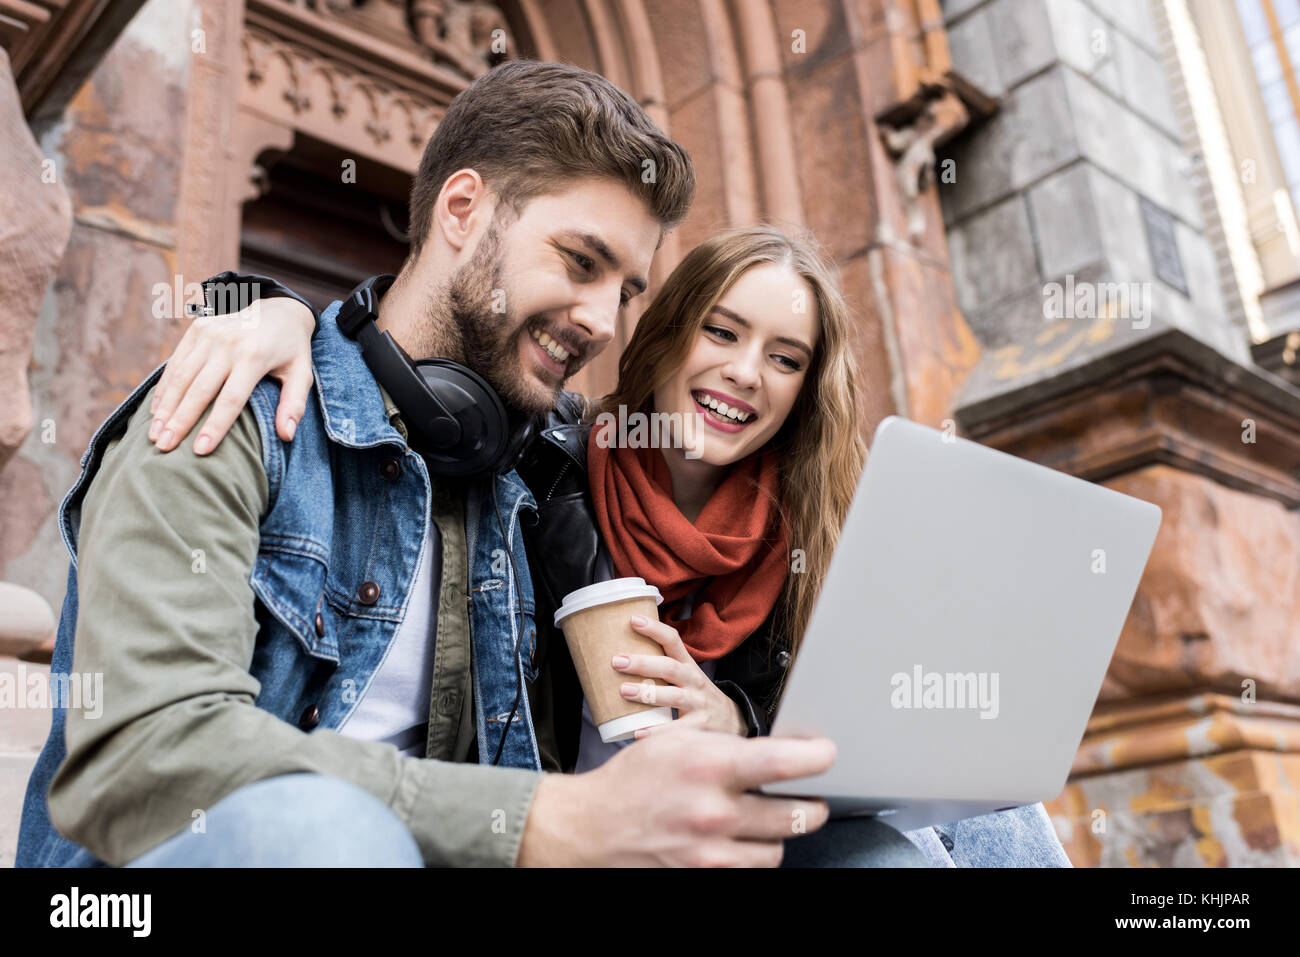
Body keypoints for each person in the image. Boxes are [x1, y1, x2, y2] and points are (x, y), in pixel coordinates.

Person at [16, 59, 866, 870]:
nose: (606, 321)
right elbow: (144, 753)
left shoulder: (529, 472)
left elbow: (678, 445)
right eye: (582, 262)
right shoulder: (230, 406)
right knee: (325, 828)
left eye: (628, 291)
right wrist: (550, 820)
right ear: (462, 209)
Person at [147, 224, 1071, 868]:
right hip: (570, 822)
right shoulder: (543, 455)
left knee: (984, 813)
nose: (746, 373)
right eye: (724, 331)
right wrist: (283, 312)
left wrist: (736, 725)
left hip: (737, 831)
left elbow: (851, 747)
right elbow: (410, 363)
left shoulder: (811, 536)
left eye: (786, 358)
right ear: (667, 338)